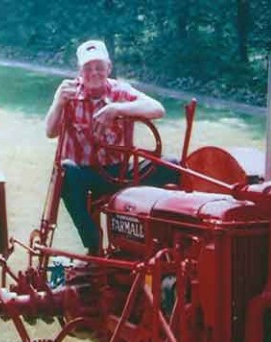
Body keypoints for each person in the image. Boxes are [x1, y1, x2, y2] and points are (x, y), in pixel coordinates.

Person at [45, 40, 176, 254]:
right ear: (80, 71)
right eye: (88, 68)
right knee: (65, 171)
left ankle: (161, 245)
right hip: (84, 175)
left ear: (109, 68)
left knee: (172, 165)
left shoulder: (120, 92)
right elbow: (50, 131)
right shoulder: (68, 93)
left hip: (120, 172)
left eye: (99, 67)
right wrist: (58, 102)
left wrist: (116, 109)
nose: (94, 72)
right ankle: (93, 243)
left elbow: (157, 109)